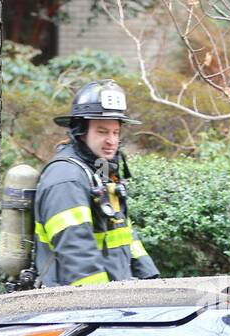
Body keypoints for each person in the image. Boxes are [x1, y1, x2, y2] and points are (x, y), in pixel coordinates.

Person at [34, 80, 160, 288]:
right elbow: (76, 251)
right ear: (81, 131)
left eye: (116, 132)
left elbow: (124, 234)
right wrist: (103, 303)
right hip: (72, 305)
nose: (111, 140)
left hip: (109, 299)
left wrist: (151, 281)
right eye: (102, 132)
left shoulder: (100, 171)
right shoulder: (66, 178)